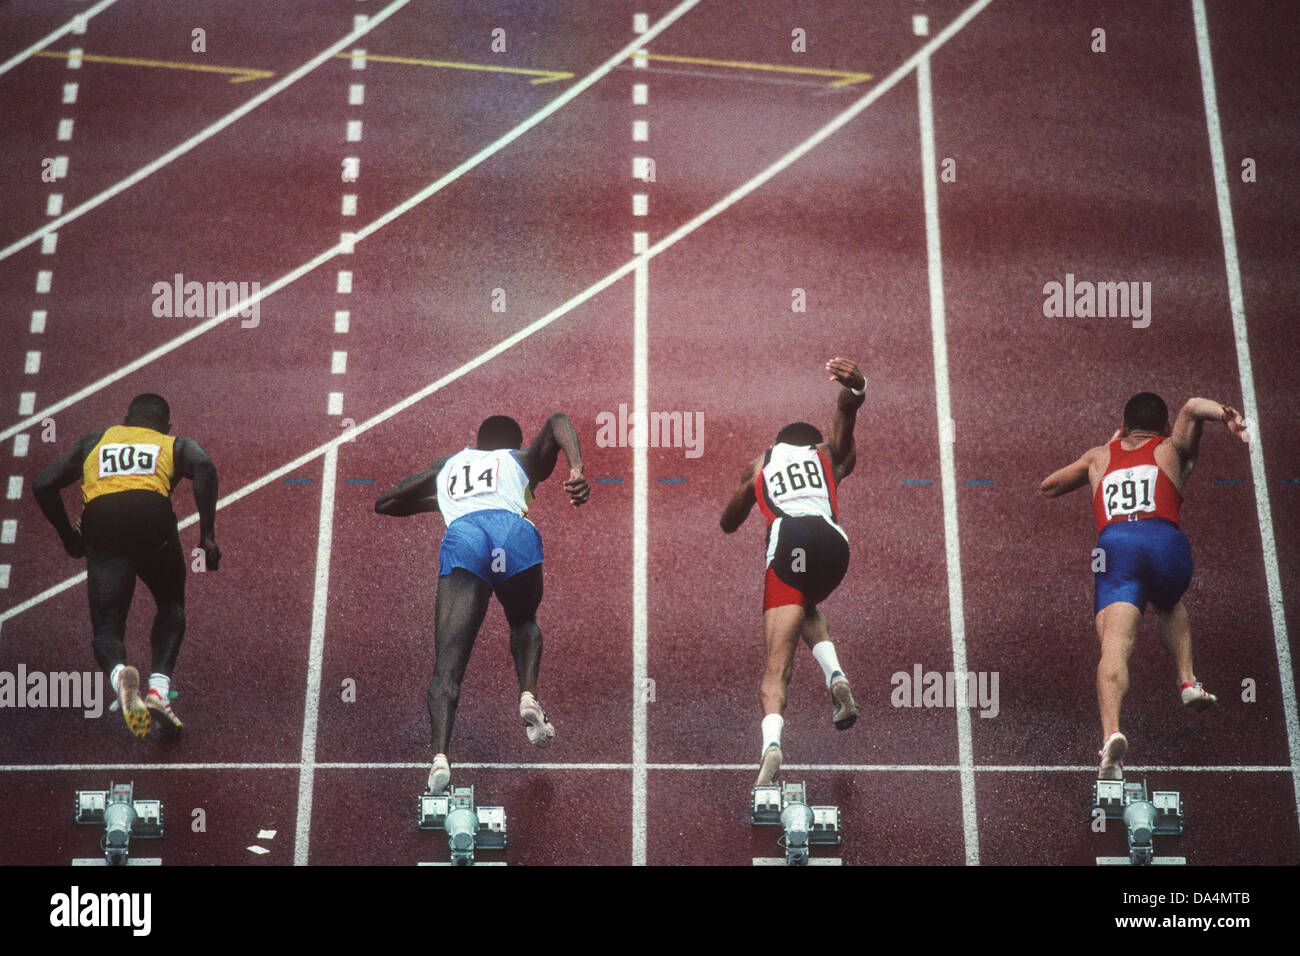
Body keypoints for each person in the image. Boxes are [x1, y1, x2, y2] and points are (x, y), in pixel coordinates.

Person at [376, 413, 589, 794]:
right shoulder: (519, 459)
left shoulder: (449, 466)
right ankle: (528, 695)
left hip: (466, 537)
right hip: (512, 535)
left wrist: (443, 499)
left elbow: (387, 503)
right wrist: (575, 467)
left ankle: (440, 757)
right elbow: (558, 421)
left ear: (475, 443)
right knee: (523, 621)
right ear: (513, 443)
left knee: (447, 668)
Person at [1040, 392, 1247, 779]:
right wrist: (1224, 415)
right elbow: (1191, 408)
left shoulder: (1099, 456)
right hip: (1166, 542)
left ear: (1122, 426)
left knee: (1115, 644)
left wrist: (1103, 452)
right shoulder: (1173, 448)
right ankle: (1187, 679)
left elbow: (1048, 486)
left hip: (1116, 548)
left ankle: (1111, 736)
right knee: (1169, 602)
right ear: (1165, 427)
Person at [33, 393, 221, 738]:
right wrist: (207, 535)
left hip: (102, 524)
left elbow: (43, 483)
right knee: (171, 604)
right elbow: (205, 466)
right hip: (151, 517)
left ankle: (121, 676)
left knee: (107, 629)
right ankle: (158, 693)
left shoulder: (95, 441)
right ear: (167, 425)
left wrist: (68, 537)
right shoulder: (174, 444)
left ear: (124, 422)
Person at [720, 358, 866, 787]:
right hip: (833, 545)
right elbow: (845, 414)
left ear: (778, 444)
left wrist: (748, 490)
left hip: (790, 542)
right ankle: (835, 676)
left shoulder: (760, 463)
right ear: (812, 444)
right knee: (806, 603)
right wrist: (857, 387)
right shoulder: (828, 456)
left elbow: (728, 523)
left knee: (776, 668)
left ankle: (771, 746)